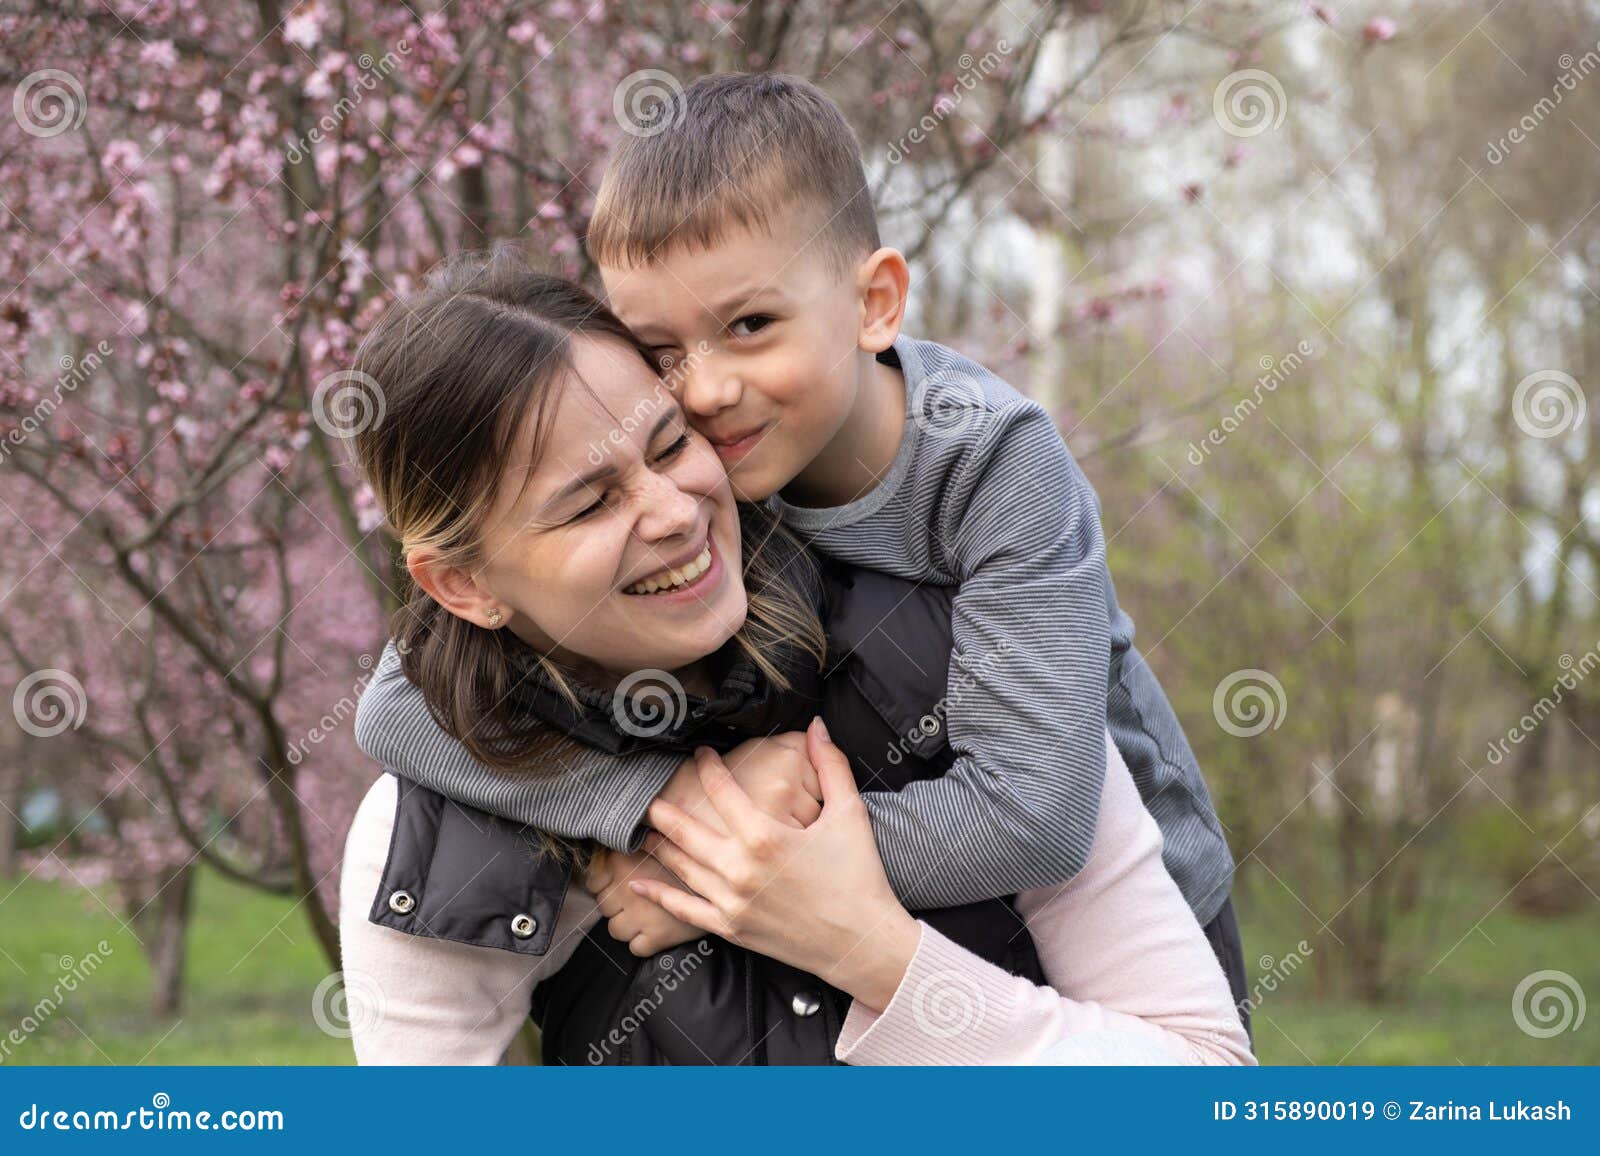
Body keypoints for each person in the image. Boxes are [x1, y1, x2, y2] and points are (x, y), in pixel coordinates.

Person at [352, 71, 1249, 1025]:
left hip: (1133, 911)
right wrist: (660, 805)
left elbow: (1034, 817)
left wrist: (722, 865)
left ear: (875, 303)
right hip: (909, 923)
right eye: (661, 353)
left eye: (750, 326)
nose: (702, 392)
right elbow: (397, 714)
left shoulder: (993, 466)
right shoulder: (710, 469)